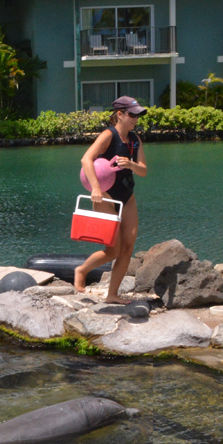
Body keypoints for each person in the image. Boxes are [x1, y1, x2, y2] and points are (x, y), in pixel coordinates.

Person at [74, 96, 147, 304]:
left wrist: (131, 165)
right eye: (132, 115)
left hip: (127, 196)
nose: (135, 119)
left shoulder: (135, 139)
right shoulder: (108, 135)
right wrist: (96, 187)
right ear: (120, 115)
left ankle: (112, 294)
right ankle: (81, 270)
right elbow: (86, 158)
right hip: (105, 196)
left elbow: (143, 171)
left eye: (137, 115)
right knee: (112, 250)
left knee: (128, 247)